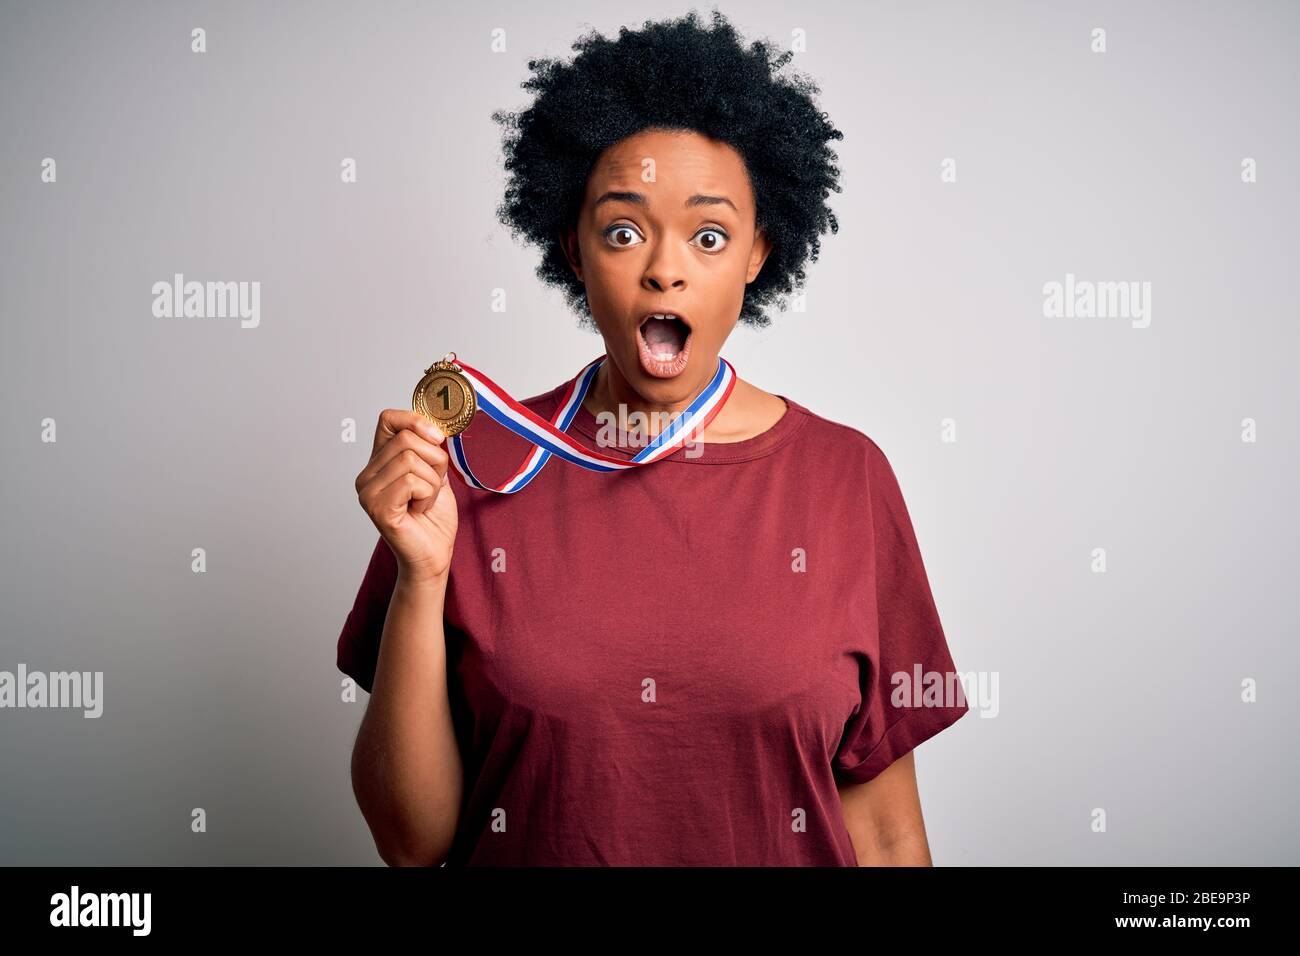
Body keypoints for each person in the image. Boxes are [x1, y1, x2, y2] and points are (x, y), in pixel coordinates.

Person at [338, 9, 970, 866]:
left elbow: (890, 839)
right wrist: (422, 575)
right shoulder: (473, 469)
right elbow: (411, 844)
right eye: (623, 230)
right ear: (573, 248)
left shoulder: (845, 479)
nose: (664, 268)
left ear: (757, 253)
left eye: (709, 236)